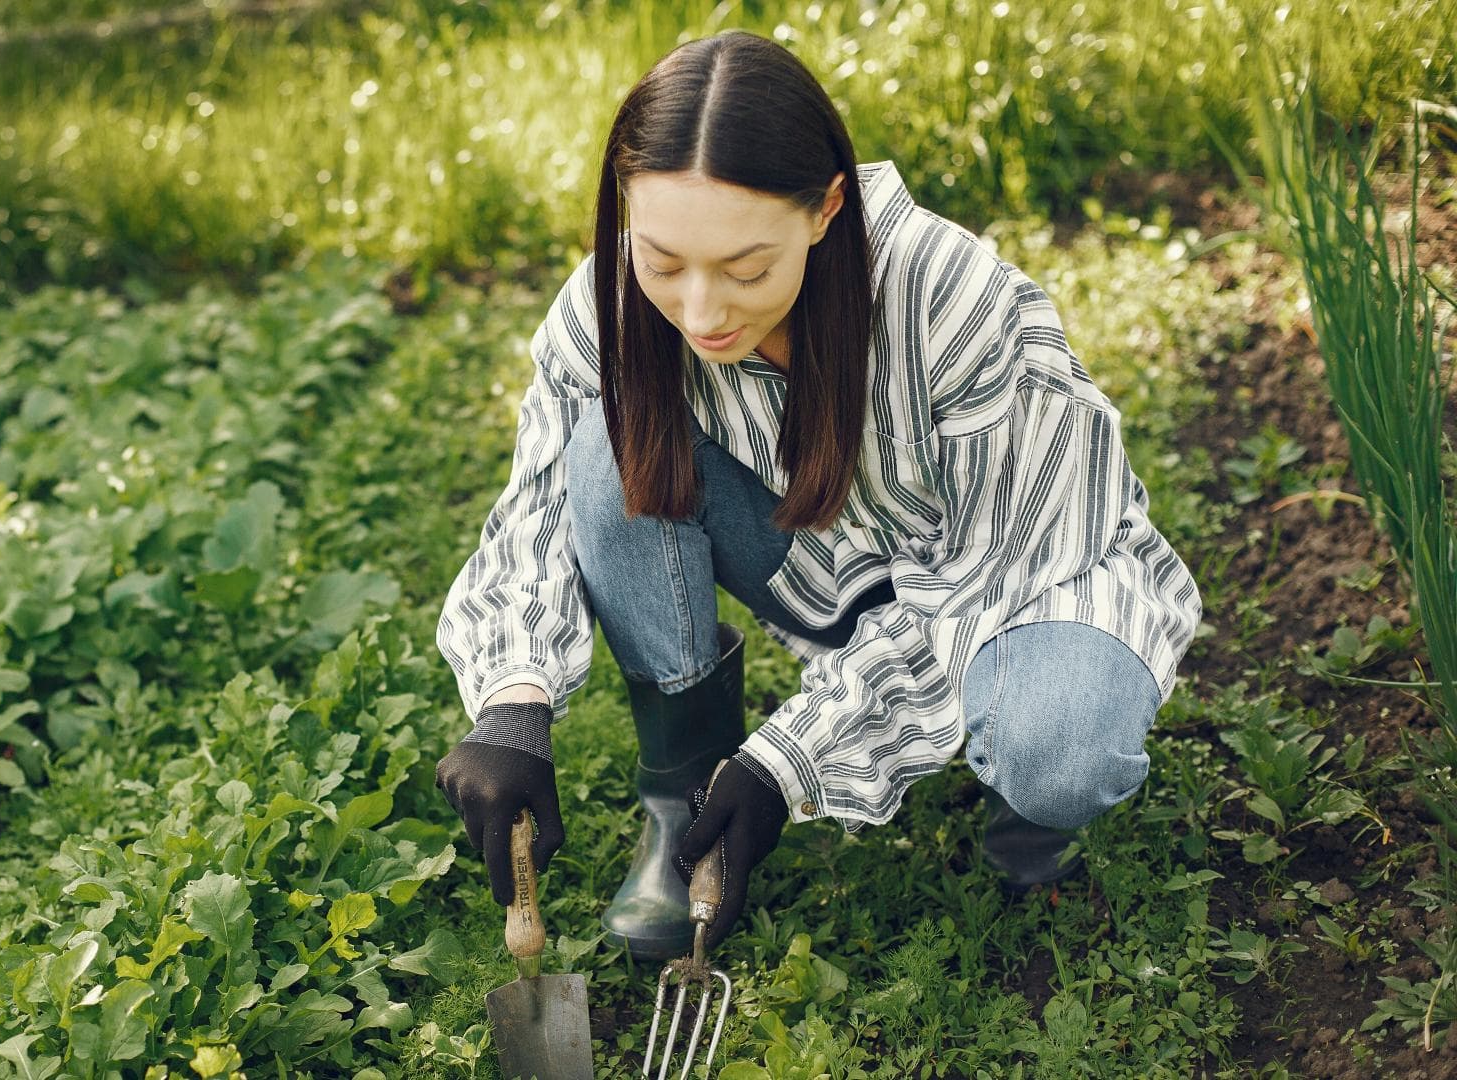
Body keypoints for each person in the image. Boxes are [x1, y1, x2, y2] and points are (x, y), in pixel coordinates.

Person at [433, 30, 1201, 962]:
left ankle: (1025, 799)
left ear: (828, 208)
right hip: (826, 563)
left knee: (1058, 751)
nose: (704, 311)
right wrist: (513, 701)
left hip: (1024, 582)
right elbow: (542, 498)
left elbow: (978, 581)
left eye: (747, 269)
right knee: (604, 442)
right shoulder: (613, 298)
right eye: (666, 261)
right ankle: (687, 806)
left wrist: (783, 760)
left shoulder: (951, 301)